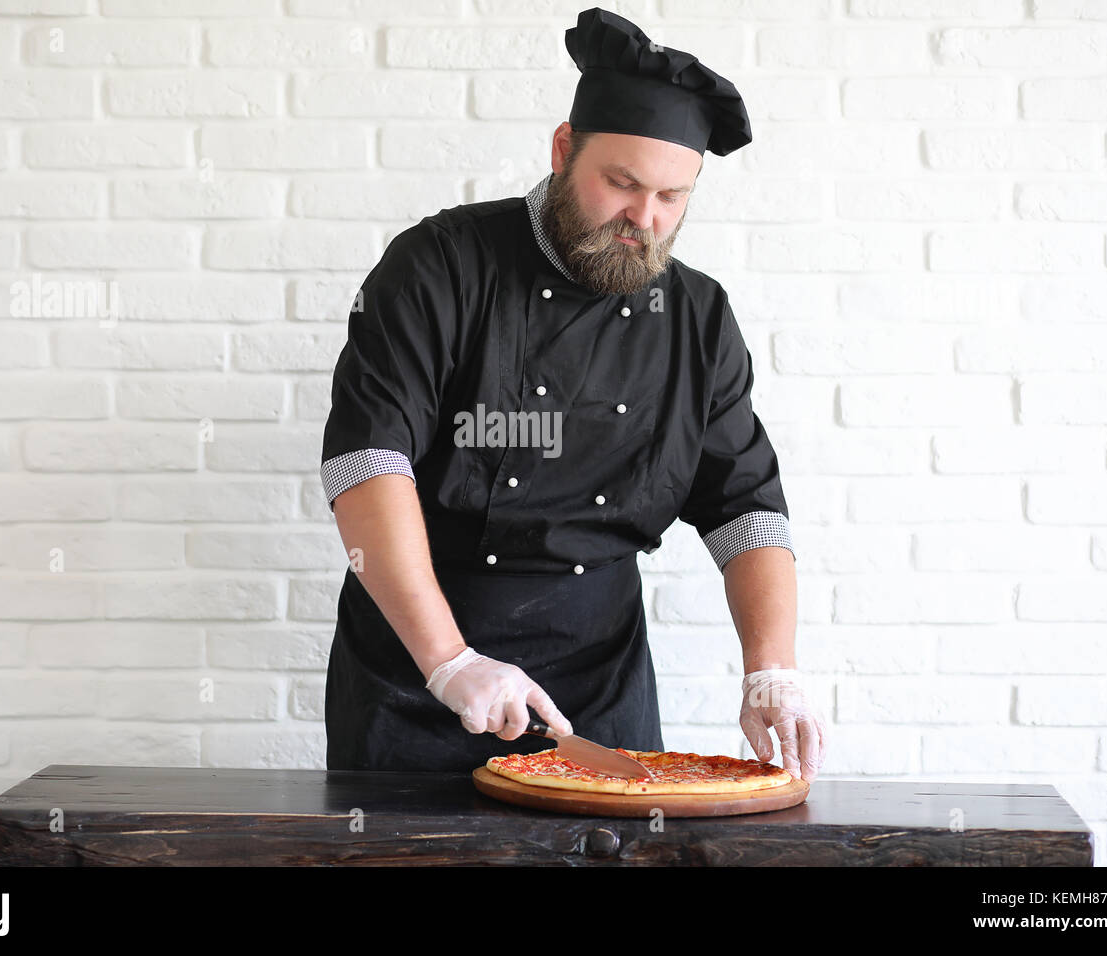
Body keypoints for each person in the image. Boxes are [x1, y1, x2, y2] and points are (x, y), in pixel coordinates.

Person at [319, 7, 828, 781]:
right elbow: (364, 461)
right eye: (621, 184)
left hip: (601, 684)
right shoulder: (440, 266)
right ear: (564, 150)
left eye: (672, 197)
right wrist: (451, 661)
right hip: (417, 671)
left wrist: (773, 671)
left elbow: (746, 508)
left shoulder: (697, 316)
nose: (643, 220)